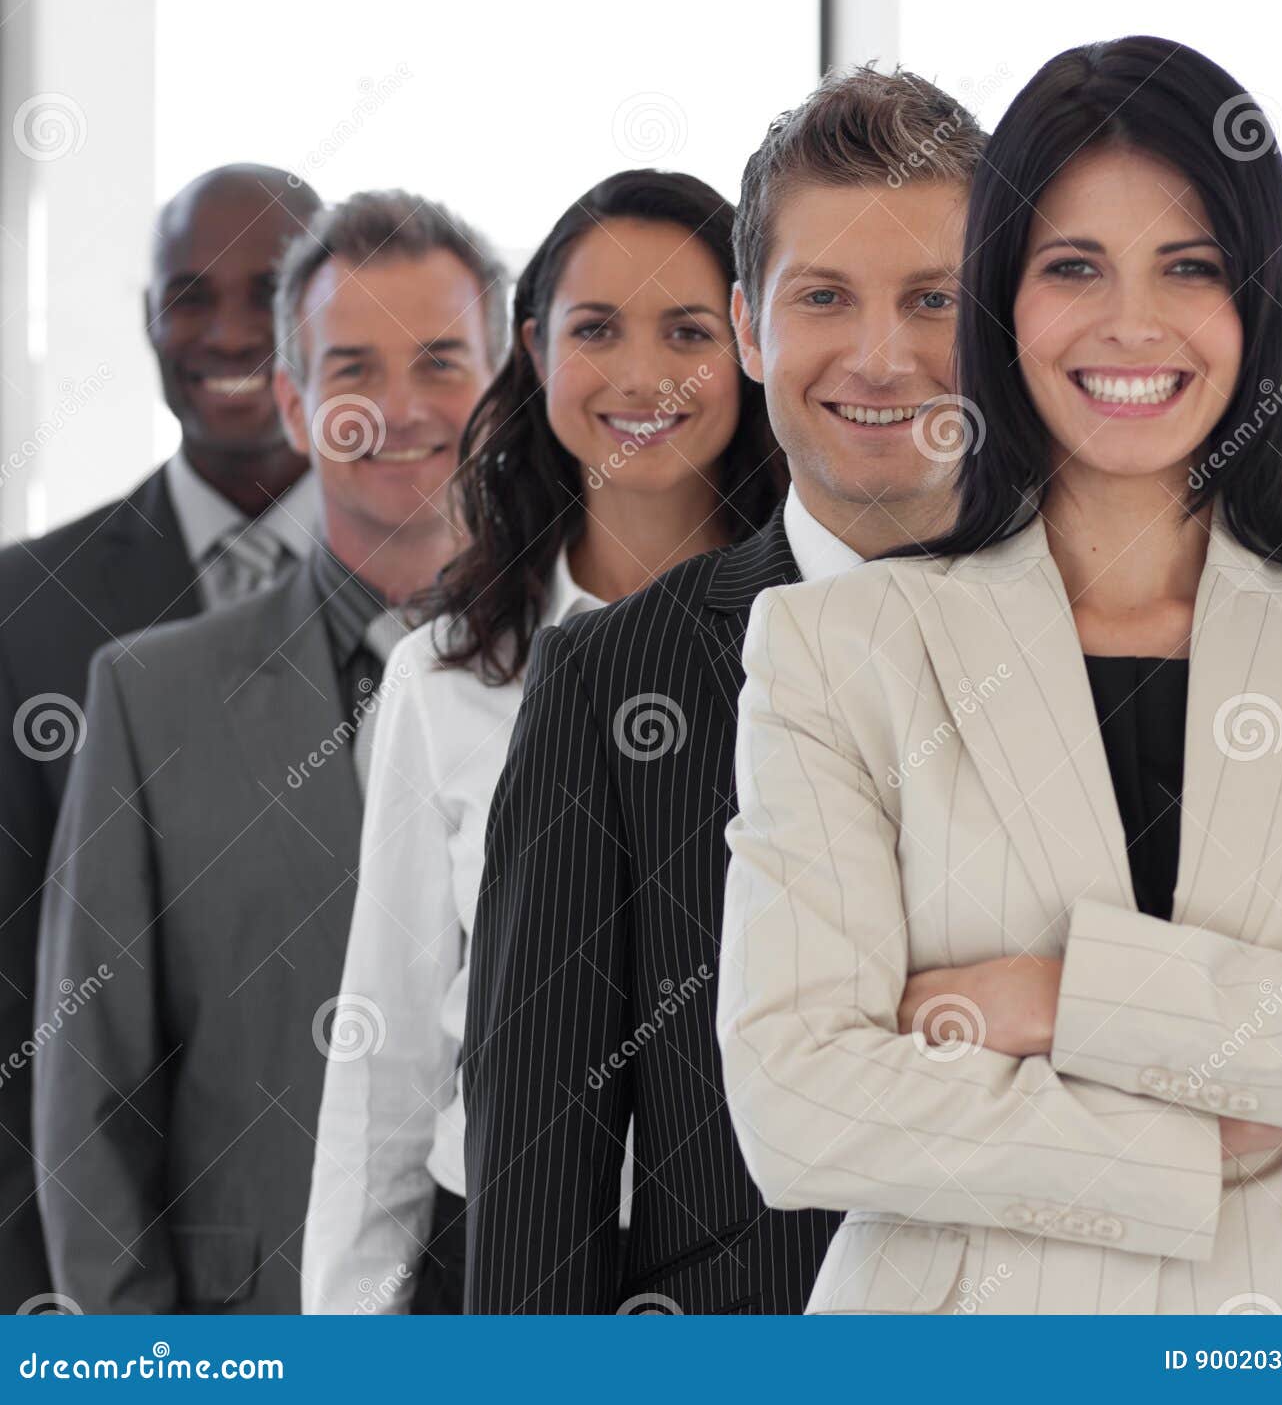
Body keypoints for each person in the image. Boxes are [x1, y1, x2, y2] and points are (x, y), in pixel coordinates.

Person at [717, 36, 1282, 1316]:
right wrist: (1189, 1137)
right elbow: (798, 1104)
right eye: (1072, 268)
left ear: (1254, 302)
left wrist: (1062, 998)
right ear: (1005, 297)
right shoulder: (838, 649)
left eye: (1190, 267)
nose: (1131, 323)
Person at [462, 67, 985, 1313]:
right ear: (751, 328)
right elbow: (541, 1173)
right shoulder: (607, 682)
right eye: (823, 297)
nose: (881, 352)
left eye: (933, 298)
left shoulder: (1118, 631)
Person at [302, 169, 781, 1314]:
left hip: (758, 1252)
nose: (642, 374)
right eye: (596, 329)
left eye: (689, 331)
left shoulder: (815, 641)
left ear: (753, 345)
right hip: (502, 1253)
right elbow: (389, 1044)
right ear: (535, 349)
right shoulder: (445, 674)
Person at [33, 190, 504, 1313]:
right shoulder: (150, 695)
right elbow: (88, 1091)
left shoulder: (589, 674)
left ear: (504, 390)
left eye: (442, 361)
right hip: (253, 1325)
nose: (398, 408)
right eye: (351, 369)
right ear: (295, 403)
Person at [0, 163, 322, 1310]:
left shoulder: (457, 599)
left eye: (272, 289)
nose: (230, 329)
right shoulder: (23, 616)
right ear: (146, 320)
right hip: (93, 1289)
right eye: (190, 293)